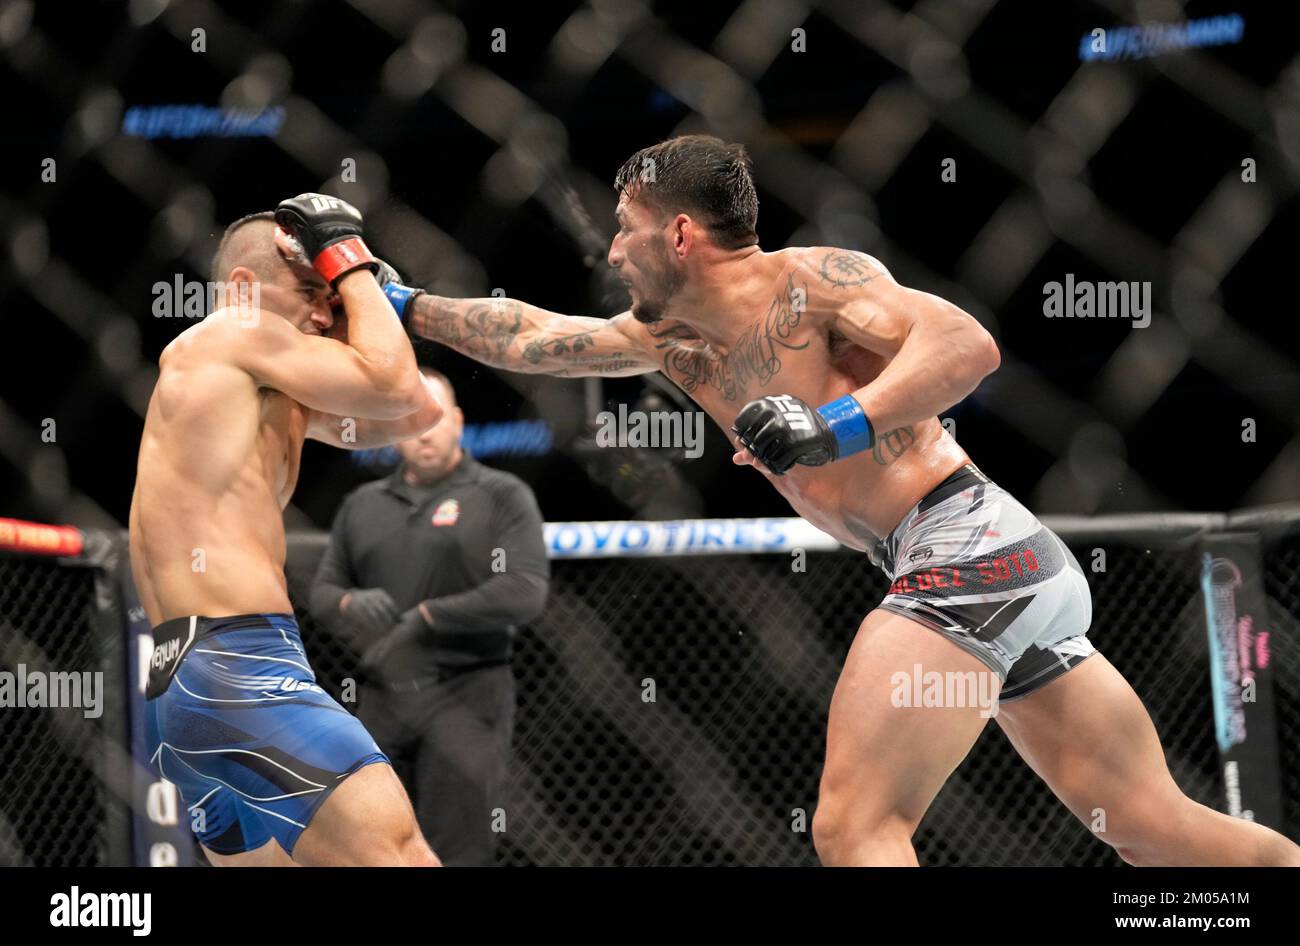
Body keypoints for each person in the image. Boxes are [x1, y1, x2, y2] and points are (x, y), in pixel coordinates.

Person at [382, 135, 1300, 866]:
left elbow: (968, 344)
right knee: (1152, 829)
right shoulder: (671, 341)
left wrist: (840, 425)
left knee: (853, 829)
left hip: (962, 545)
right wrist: (398, 299)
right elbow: (534, 337)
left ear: (680, 234)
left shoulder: (814, 282)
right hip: (997, 568)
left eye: (625, 226)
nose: (611, 248)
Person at [130, 193, 444, 866]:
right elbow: (393, 383)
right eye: (308, 289)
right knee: (399, 853)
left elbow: (413, 412)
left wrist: (353, 302)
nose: (322, 310)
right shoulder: (238, 330)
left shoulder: (249, 382)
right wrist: (351, 264)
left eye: (327, 297)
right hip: (240, 666)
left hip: (181, 680)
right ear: (244, 289)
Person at [309, 368, 548, 866]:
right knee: (368, 842)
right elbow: (324, 592)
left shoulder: (501, 495)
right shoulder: (363, 504)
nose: (425, 430)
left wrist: (429, 616)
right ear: (392, 429)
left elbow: (525, 590)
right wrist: (351, 603)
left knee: (456, 845)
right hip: (382, 692)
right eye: (411, 419)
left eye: (435, 417)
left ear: (458, 421)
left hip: (467, 689)